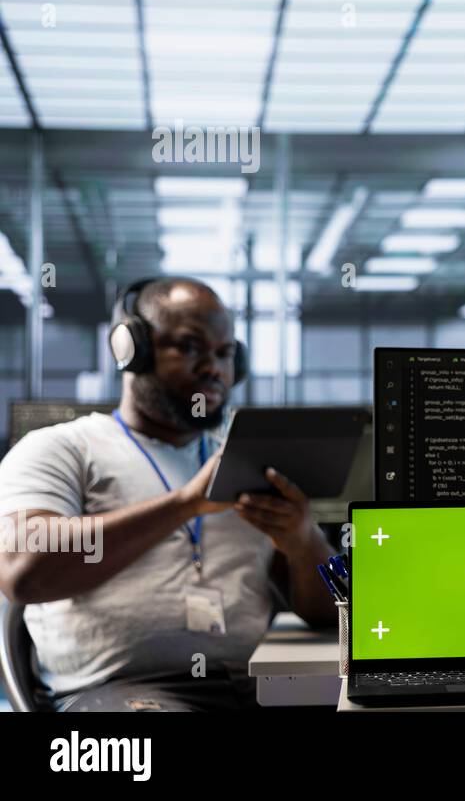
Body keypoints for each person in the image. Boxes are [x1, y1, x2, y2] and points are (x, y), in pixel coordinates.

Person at [0, 277, 337, 711]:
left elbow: (328, 613)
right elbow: (23, 569)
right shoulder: (62, 449)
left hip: (254, 685)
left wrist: (302, 539)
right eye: (190, 347)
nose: (213, 367)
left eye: (225, 353)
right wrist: (186, 504)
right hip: (124, 692)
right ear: (131, 349)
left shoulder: (242, 460)